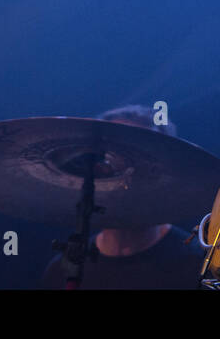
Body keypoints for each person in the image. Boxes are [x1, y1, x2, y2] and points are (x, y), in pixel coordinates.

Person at [39, 105, 204, 290]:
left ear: (160, 172)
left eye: (137, 158)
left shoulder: (198, 264)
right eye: (108, 159)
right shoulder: (62, 272)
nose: (120, 169)